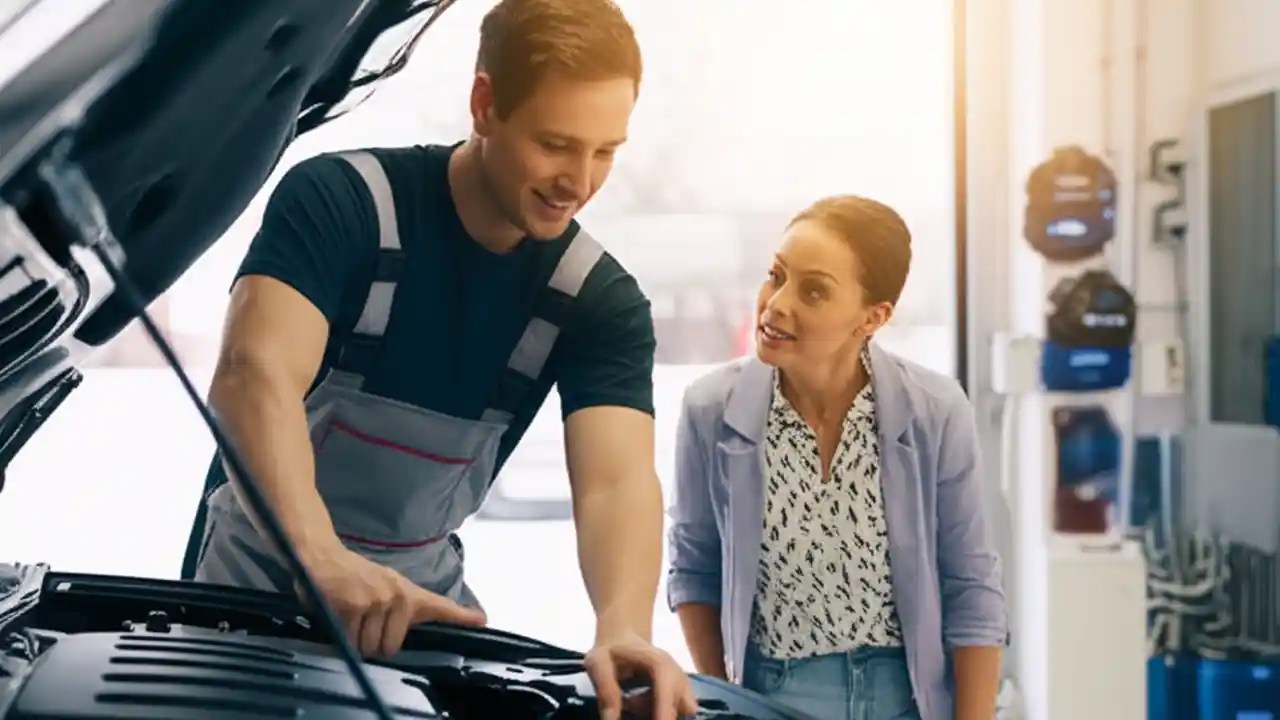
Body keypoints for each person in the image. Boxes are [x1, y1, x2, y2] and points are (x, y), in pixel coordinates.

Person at [179, 1, 697, 718]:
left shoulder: (596, 300)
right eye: (555, 143)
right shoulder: (340, 202)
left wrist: (622, 628)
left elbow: (614, 482)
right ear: (485, 104)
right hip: (252, 593)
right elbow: (251, 375)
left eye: (605, 151)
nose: (578, 181)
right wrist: (321, 560)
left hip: (420, 617)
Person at [664, 195, 1007, 720]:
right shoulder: (711, 410)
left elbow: (972, 585)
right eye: (775, 275)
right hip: (772, 696)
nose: (777, 302)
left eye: (814, 290)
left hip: (909, 697)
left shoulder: (935, 411)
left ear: (873, 317)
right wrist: (721, 701)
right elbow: (694, 567)